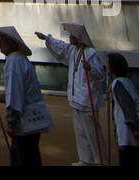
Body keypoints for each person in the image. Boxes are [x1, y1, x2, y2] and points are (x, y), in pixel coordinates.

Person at [37, 22, 106, 166]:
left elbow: (100, 74)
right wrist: (47, 39)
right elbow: (61, 47)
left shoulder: (90, 53)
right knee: (80, 132)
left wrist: (91, 69)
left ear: (79, 38)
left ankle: (100, 161)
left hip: (87, 100)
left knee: (92, 133)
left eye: (72, 35)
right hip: (76, 98)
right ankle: (85, 159)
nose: (69, 38)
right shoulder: (74, 51)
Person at [0, 25, 51, 166]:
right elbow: (16, 91)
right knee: (31, 156)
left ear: (13, 42)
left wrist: (11, 122)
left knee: (23, 158)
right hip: (32, 119)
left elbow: (15, 96)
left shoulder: (14, 61)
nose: (0, 43)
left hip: (25, 121)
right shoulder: (19, 59)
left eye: (2, 39)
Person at [108, 52, 139, 167]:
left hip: (130, 133)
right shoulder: (126, 81)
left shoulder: (118, 84)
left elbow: (127, 105)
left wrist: (134, 127)